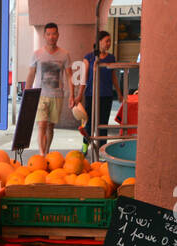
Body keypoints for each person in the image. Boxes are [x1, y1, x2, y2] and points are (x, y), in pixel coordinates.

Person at [25, 22, 71, 155]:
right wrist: (27, 93)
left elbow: (69, 75)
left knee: (50, 127)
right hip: (40, 95)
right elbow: (31, 74)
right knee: (41, 125)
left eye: (54, 34)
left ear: (58, 35)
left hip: (57, 95)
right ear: (44, 36)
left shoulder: (64, 54)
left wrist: (72, 95)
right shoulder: (37, 54)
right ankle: (42, 154)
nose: (51, 37)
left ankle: (46, 151)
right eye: (48, 34)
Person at [72, 30, 120, 149]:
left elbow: (113, 76)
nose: (109, 43)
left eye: (109, 41)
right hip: (91, 94)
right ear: (99, 42)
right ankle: (85, 146)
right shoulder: (89, 57)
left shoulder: (111, 58)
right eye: (106, 41)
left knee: (103, 124)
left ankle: (102, 149)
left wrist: (119, 92)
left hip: (106, 95)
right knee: (89, 123)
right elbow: (84, 77)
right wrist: (79, 95)